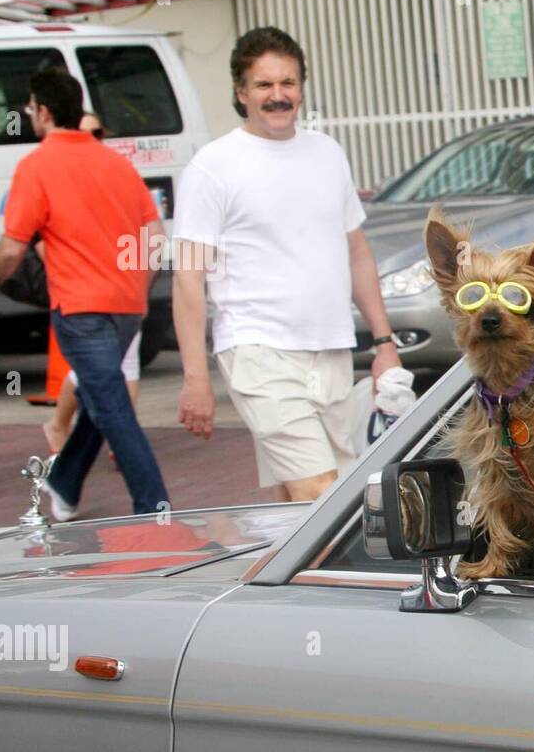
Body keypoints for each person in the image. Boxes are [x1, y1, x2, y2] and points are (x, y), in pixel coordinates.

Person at [172, 27, 402, 502]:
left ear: (302, 85)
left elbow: (357, 252)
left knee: (300, 503)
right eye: (264, 85)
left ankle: (281, 577)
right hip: (257, 350)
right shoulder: (212, 166)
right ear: (241, 91)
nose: (279, 96)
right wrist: (196, 379)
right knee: (326, 498)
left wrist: (384, 344)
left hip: (333, 348)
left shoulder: (328, 152)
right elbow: (189, 277)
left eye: (288, 83)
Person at [0, 69, 168, 520]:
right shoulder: (116, 163)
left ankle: (154, 508)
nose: (28, 115)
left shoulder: (36, 166)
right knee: (105, 397)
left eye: (29, 108)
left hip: (81, 310)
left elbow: (12, 247)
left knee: (112, 405)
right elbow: (154, 235)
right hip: (126, 308)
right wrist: (139, 289)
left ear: (42, 112)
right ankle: (65, 483)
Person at [43, 112, 144, 457]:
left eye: (98, 132)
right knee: (94, 366)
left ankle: (117, 437)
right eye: (85, 132)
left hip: (122, 285)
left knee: (123, 362)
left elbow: (144, 224)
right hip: (82, 293)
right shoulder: (57, 173)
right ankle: (65, 426)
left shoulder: (117, 169)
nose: (93, 138)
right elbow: (41, 237)